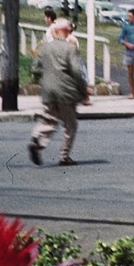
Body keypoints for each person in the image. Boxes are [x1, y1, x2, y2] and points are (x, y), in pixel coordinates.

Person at [29, 17, 90, 166]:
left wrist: (42, 80)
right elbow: (76, 71)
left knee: (49, 119)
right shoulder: (71, 48)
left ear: (55, 31)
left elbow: (35, 69)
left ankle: (38, 139)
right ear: (68, 30)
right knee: (70, 124)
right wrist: (83, 90)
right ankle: (64, 156)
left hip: (48, 90)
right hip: (66, 91)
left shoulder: (44, 48)